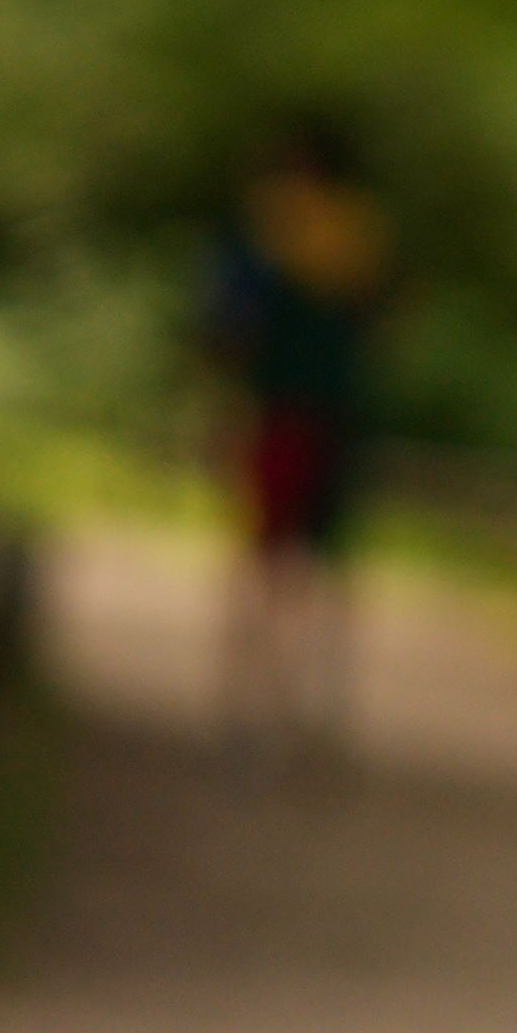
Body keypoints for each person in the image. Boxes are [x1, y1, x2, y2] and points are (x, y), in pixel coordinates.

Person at [197, 115, 393, 771]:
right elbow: (379, 327)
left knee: (262, 562)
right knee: (319, 569)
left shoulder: (264, 230)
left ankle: (246, 706)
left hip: (279, 412)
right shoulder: (361, 234)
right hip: (334, 416)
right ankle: (302, 710)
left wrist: (224, 405)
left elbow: (226, 330)